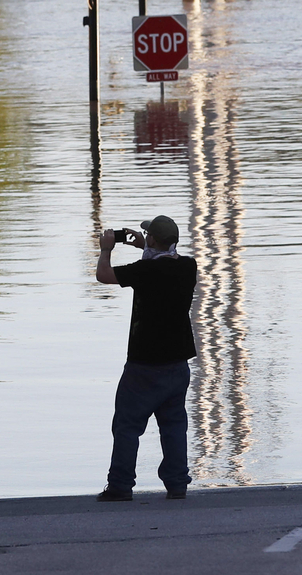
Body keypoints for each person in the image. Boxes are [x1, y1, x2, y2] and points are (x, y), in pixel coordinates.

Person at [94, 215, 198, 502]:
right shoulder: (188, 267)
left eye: (147, 235)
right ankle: (177, 484)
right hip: (177, 364)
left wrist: (106, 249)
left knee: (127, 425)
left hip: (144, 365)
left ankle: (120, 486)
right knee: (174, 425)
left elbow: (104, 275)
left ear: (153, 239)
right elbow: (165, 263)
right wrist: (145, 246)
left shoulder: (144, 271)